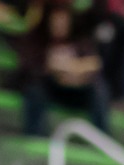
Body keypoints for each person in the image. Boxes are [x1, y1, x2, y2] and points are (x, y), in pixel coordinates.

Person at [19, 4, 111, 137]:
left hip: (78, 90)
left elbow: (95, 64)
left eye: (63, 21)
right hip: (51, 89)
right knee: (34, 90)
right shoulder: (40, 40)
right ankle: (34, 137)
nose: (59, 25)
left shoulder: (80, 40)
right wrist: (55, 69)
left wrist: (74, 70)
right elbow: (32, 66)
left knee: (99, 89)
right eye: (55, 21)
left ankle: (103, 141)